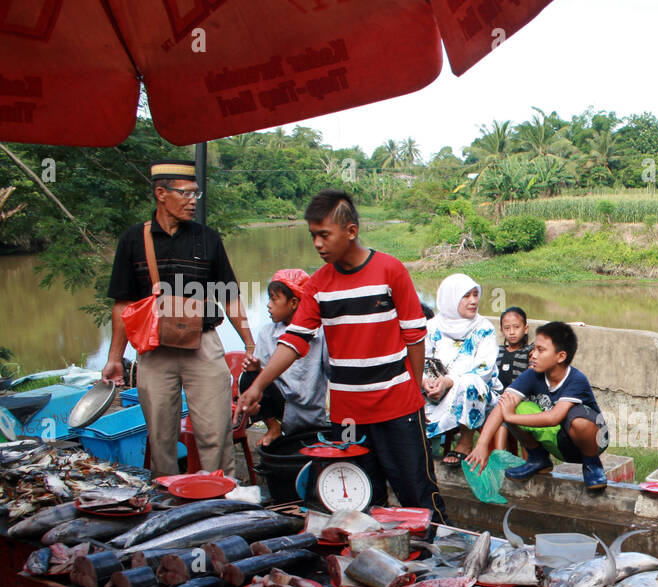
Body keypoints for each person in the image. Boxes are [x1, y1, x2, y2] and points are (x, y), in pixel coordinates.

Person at [234, 190, 446, 520]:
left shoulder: (391, 271)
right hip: (348, 415)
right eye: (313, 236)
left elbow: (414, 336)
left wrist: (414, 389)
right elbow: (294, 341)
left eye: (324, 234)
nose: (318, 244)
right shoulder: (318, 285)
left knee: (417, 493)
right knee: (359, 501)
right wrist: (259, 384)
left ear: (350, 231)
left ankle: (437, 559)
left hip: (398, 407)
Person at [103, 160, 256, 476]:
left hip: (203, 344)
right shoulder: (134, 240)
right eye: (185, 194)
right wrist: (115, 358)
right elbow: (123, 304)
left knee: (215, 433)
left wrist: (250, 343)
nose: (192, 202)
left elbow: (228, 294)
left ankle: (221, 501)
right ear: (161, 193)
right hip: (154, 349)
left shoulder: (207, 238)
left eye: (196, 195)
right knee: (161, 437)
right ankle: (170, 505)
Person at [465, 320, 609, 493]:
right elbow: (502, 405)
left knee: (578, 419)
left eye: (541, 350)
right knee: (511, 405)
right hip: (557, 440)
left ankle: (592, 464)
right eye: (534, 348)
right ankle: (538, 458)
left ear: (561, 356)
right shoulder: (532, 375)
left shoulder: (576, 379)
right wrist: (481, 444)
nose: (533, 354)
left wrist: (510, 417)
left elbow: (554, 417)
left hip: (590, 442)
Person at [238, 268, 329, 446]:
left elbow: (331, 370)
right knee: (248, 378)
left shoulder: (321, 332)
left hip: (309, 406)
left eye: (274, 299)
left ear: (294, 302)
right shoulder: (266, 332)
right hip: (282, 402)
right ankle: (273, 426)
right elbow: (263, 376)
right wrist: (255, 368)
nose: (268, 305)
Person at [422, 273, 500, 464]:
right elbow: (419, 360)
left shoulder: (484, 328)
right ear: (450, 298)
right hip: (433, 388)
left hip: (477, 391)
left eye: (475, 294)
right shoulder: (431, 327)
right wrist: (426, 382)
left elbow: (484, 369)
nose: (473, 301)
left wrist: (448, 382)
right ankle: (420, 446)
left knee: (469, 382)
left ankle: (465, 443)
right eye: (466, 296)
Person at [492, 306, 532, 453]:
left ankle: (525, 460)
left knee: (505, 414)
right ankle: (500, 456)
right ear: (502, 330)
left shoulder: (529, 351)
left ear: (525, 328)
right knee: (500, 413)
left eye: (516, 327)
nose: (512, 331)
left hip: (521, 399)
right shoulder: (497, 351)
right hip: (498, 399)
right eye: (507, 328)